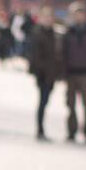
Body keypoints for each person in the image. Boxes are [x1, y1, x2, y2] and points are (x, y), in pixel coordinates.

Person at [61, 1, 86, 143]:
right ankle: (71, 131)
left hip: (85, 74)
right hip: (71, 73)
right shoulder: (68, 33)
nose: (78, 17)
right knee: (70, 105)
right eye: (76, 14)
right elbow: (63, 54)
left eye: (81, 14)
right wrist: (63, 72)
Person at [27, 7, 60, 141]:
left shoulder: (54, 34)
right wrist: (39, 72)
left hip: (51, 74)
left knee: (45, 101)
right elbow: (34, 56)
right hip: (42, 75)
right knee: (42, 102)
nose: (48, 20)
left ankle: (41, 129)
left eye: (50, 17)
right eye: (45, 17)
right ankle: (40, 130)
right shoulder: (37, 34)